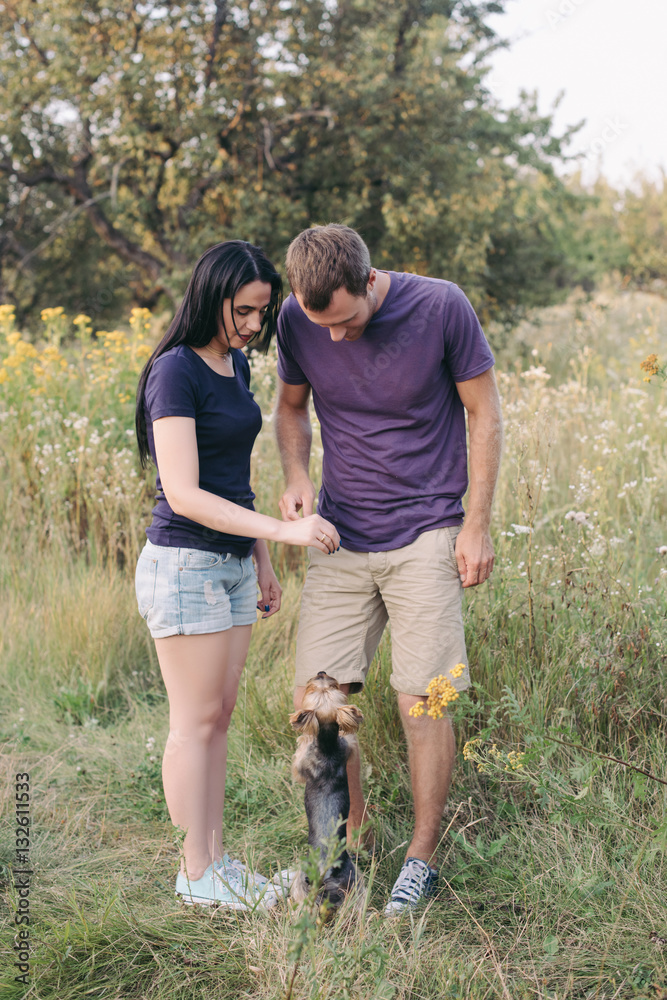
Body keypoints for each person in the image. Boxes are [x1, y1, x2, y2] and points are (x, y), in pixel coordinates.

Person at [274, 224, 502, 916]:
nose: (335, 338)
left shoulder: (440, 307)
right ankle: (348, 846)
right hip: (342, 536)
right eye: (322, 325)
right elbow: (290, 408)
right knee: (319, 708)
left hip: (427, 532)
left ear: (370, 282)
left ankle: (421, 857)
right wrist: (293, 475)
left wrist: (476, 523)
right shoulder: (295, 317)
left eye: (345, 320)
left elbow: (483, 412)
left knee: (421, 699)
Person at [134, 240, 340, 910]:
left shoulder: (233, 364)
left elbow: (232, 479)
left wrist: (259, 560)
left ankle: (215, 862)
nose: (254, 325)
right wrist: (283, 532)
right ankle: (197, 874)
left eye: (261, 313)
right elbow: (185, 492)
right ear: (211, 296)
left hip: (227, 565)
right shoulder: (174, 371)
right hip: (184, 563)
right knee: (193, 722)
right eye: (244, 311)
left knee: (218, 718)